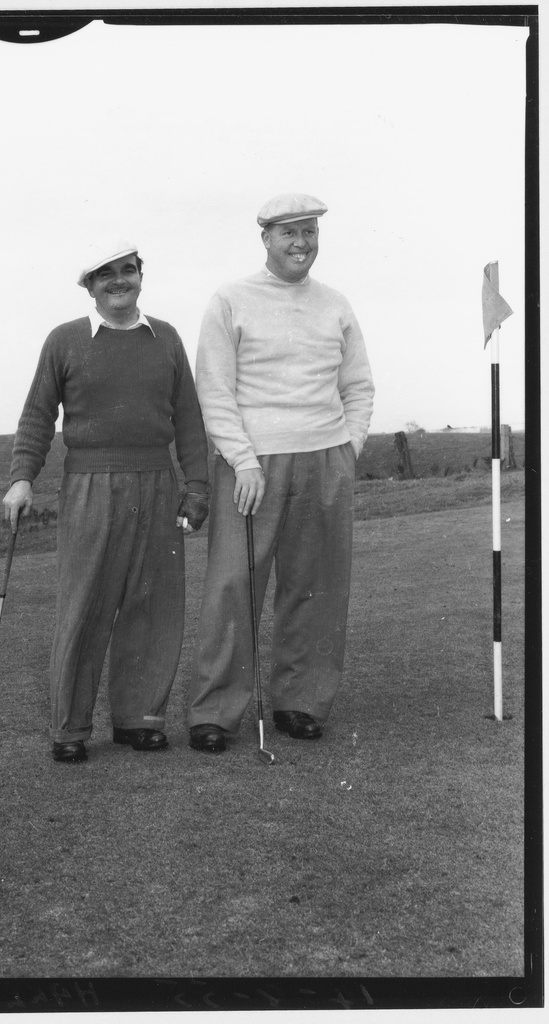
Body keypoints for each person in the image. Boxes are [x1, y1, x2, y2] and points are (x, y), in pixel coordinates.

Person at [3, 240, 210, 763]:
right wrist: (22, 478)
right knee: (84, 605)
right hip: (90, 484)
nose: (119, 280)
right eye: (105, 274)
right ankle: (70, 728)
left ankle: (139, 720)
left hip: (157, 482)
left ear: (141, 275)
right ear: (89, 286)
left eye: (128, 270)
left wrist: (197, 487)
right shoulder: (65, 340)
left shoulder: (167, 338)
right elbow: (37, 415)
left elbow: (188, 418)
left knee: (152, 604)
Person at [187, 193, 374, 753]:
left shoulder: (335, 304)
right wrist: (242, 458)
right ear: (265, 238)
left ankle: (301, 701)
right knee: (233, 586)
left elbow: (358, 386)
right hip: (252, 465)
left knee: (316, 587)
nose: (301, 243)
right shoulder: (231, 299)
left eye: (309, 231)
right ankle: (215, 712)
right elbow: (213, 388)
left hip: (326, 457)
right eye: (289, 232)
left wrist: (348, 448)